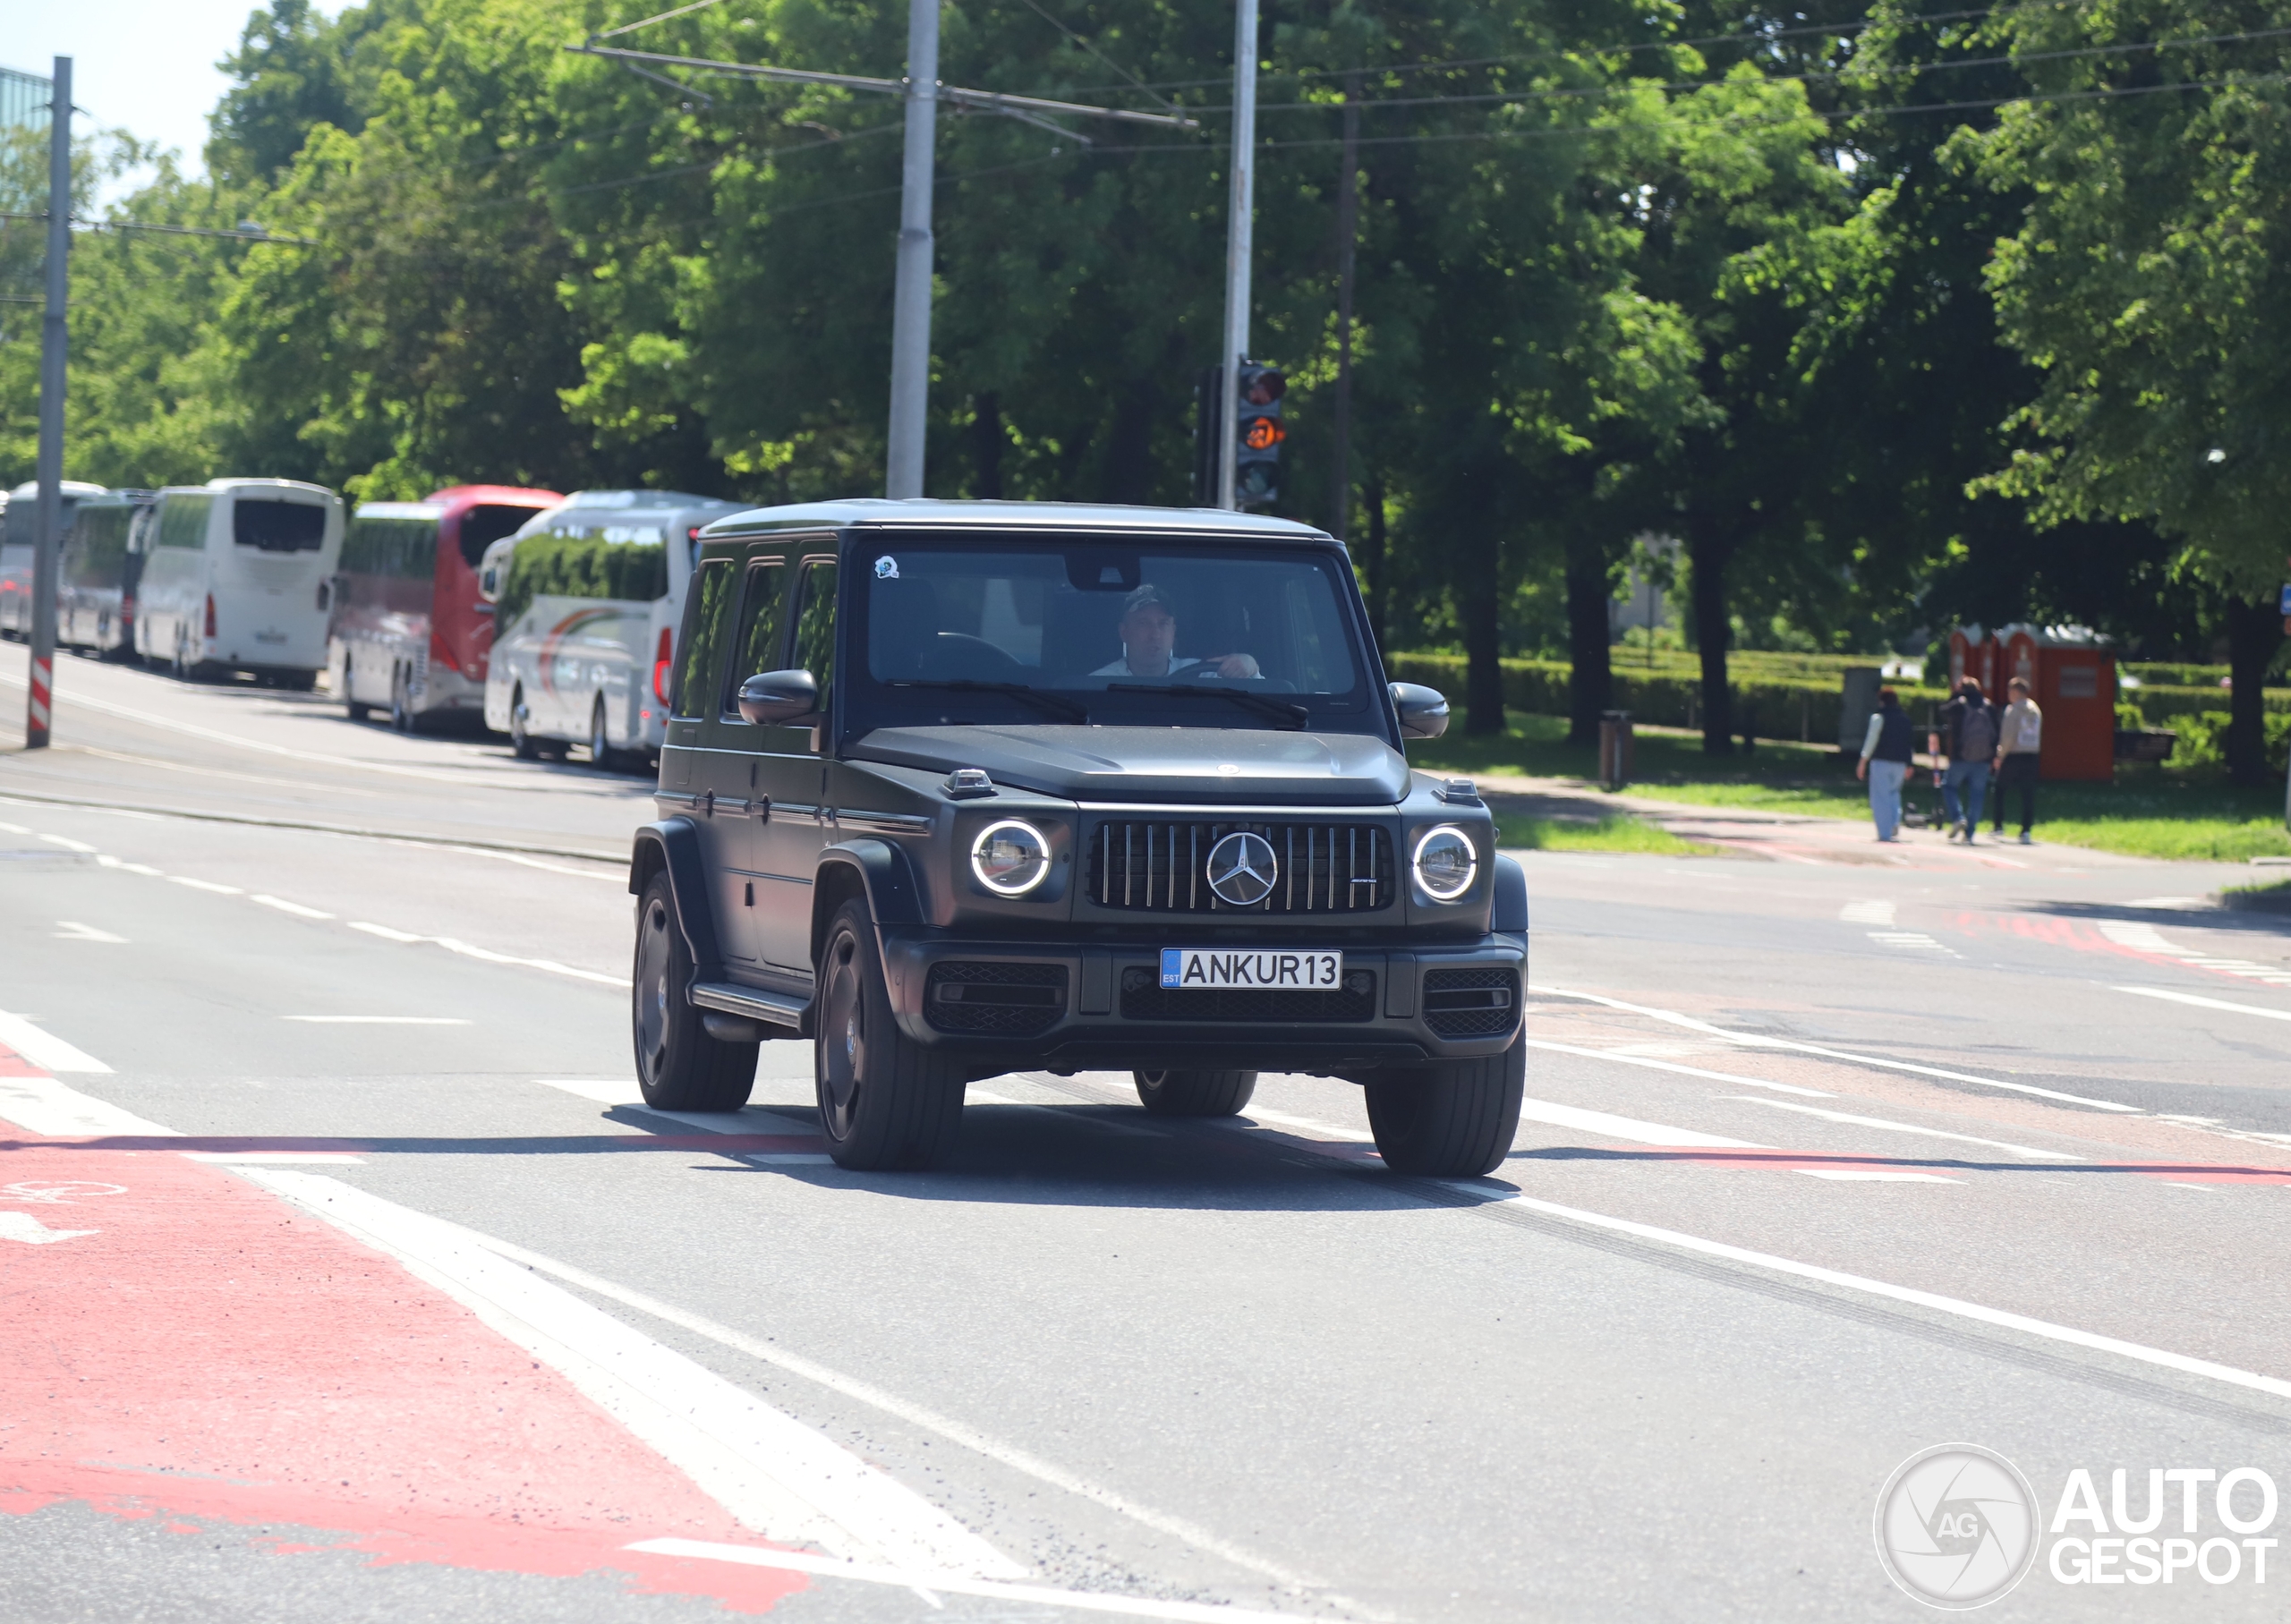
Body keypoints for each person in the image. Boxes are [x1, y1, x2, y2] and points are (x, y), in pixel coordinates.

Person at [1091, 584, 1259, 679]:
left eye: (1163, 624)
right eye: (1143, 623)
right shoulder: (1099, 683)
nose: (1155, 634)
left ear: (1173, 632)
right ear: (1124, 632)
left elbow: (1260, 699)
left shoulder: (1204, 676)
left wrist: (1250, 665)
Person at [1937, 676, 1998, 843]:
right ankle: (1969, 833)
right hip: (1983, 759)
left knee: (1949, 786)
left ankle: (1958, 817)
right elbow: (1996, 731)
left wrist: (1955, 694)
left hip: (1960, 756)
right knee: (1977, 795)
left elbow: (1942, 710)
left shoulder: (1959, 705)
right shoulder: (1988, 706)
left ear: (1961, 689)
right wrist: (1994, 755)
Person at [1855, 687, 1914, 841]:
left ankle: (1885, 833)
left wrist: (1863, 760)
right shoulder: (1905, 719)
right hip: (1900, 763)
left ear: (1881, 701)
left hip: (1881, 761)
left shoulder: (1878, 717)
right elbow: (1909, 743)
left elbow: (1871, 740)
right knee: (1894, 794)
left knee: (1880, 797)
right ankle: (1894, 821)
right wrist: (1910, 764)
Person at [1992, 675, 2042, 844]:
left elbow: (2008, 737)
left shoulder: (2012, 710)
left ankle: (1998, 826)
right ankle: (2026, 830)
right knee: (2028, 794)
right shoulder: (2035, 710)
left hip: (2013, 755)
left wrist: (2000, 755)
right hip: (2032, 754)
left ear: (2015, 692)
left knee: (2000, 789)